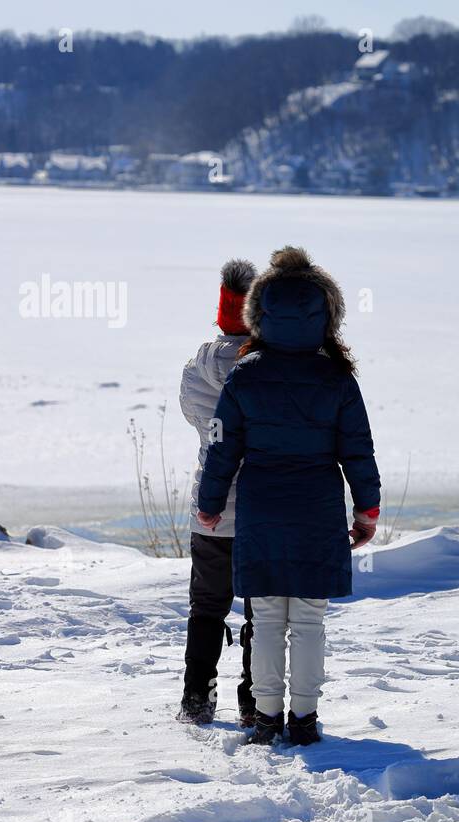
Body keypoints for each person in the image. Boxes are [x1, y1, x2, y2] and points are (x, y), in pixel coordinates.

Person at [197, 246, 381, 747]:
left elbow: (221, 450)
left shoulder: (244, 375)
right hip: (317, 510)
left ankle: (265, 717)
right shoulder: (337, 379)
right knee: (307, 621)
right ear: (327, 315)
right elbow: (358, 452)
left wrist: (210, 504)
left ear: (259, 314)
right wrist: (366, 511)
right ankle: (303, 719)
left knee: (268, 617)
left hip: (260, 509)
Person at [177, 259, 258, 726]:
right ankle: (252, 699)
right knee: (259, 612)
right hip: (258, 509)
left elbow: (197, 420)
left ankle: (197, 699)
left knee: (206, 608)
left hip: (208, 509)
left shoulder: (195, 368)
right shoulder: (269, 366)